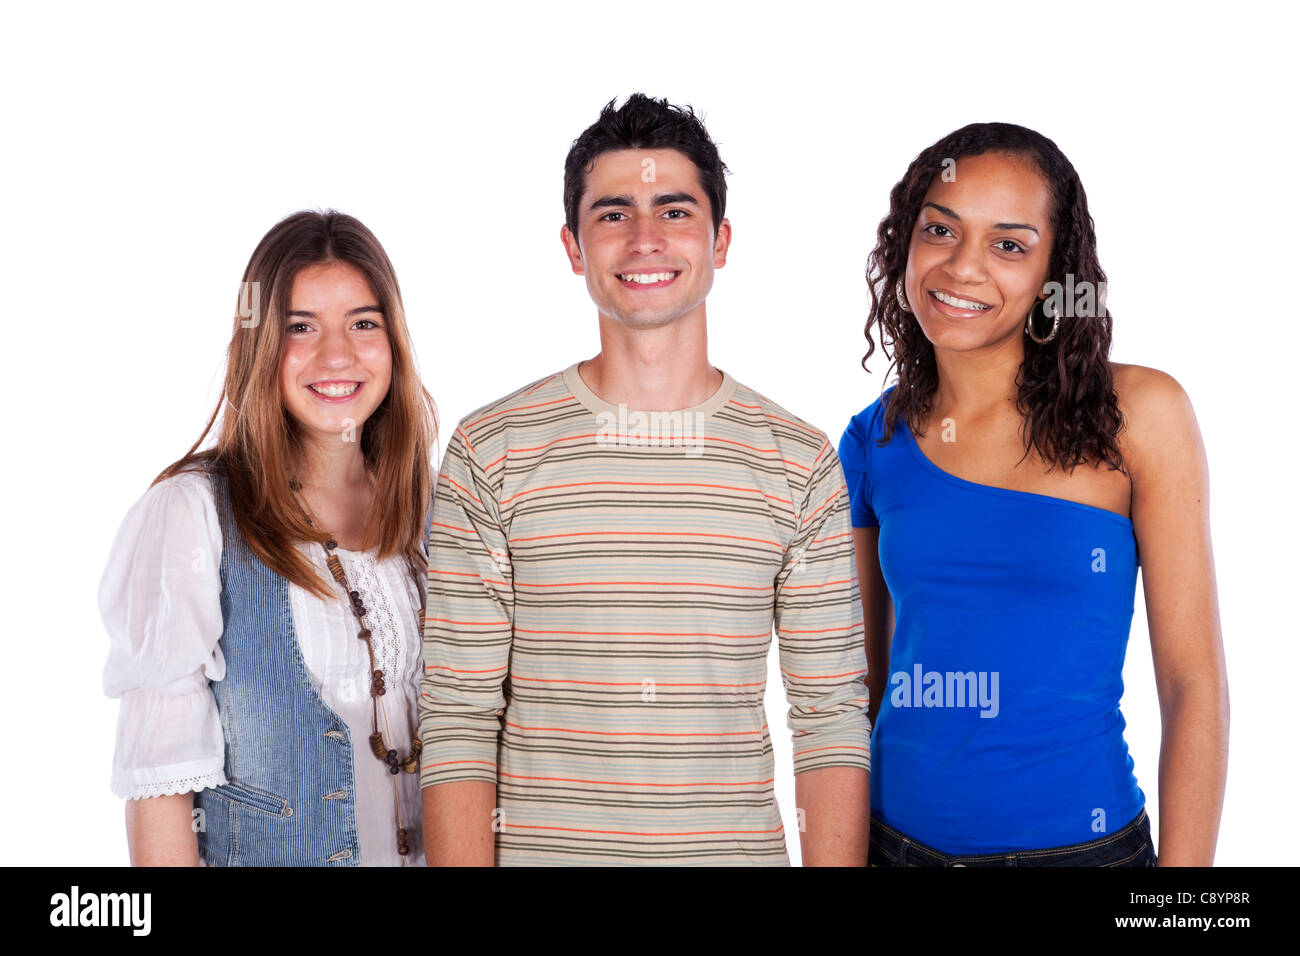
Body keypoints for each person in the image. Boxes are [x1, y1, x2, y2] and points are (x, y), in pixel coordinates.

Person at [419, 94, 871, 866]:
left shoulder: (798, 461)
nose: (645, 240)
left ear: (720, 240)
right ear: (573, 246)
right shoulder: (490, 451)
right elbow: (459, 720)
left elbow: (829, 716)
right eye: (613, 214)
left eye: (673, 211)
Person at [839, 123, 1228, 866]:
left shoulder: (1140, 415)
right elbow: (860, 689)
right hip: (894, 848)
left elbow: (1190, 685)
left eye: (1008, 245)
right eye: (940, 230)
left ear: (1055, 272)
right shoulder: (870, 440)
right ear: (904, 243)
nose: (963, 267)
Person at [99, 210, 438, 866]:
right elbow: (161, 803)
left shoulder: (432, 508)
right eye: (300, 327)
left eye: (363, 323)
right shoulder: (192, 515)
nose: (336, 355)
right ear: (259, 346)